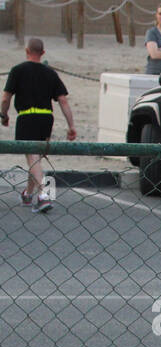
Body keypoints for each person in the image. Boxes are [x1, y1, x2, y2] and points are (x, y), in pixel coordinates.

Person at [1, 37, 77, 214]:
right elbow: (63, 101)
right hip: (46, 118)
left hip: (27, 117)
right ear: (42, 53)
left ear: (26, 51)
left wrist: (3, 115)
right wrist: (71, 125)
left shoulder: (17, 70)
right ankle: (28, 194)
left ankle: (43, 195)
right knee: (36, 158)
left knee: (32, 156)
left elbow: (6, 98)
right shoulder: (50, 73)